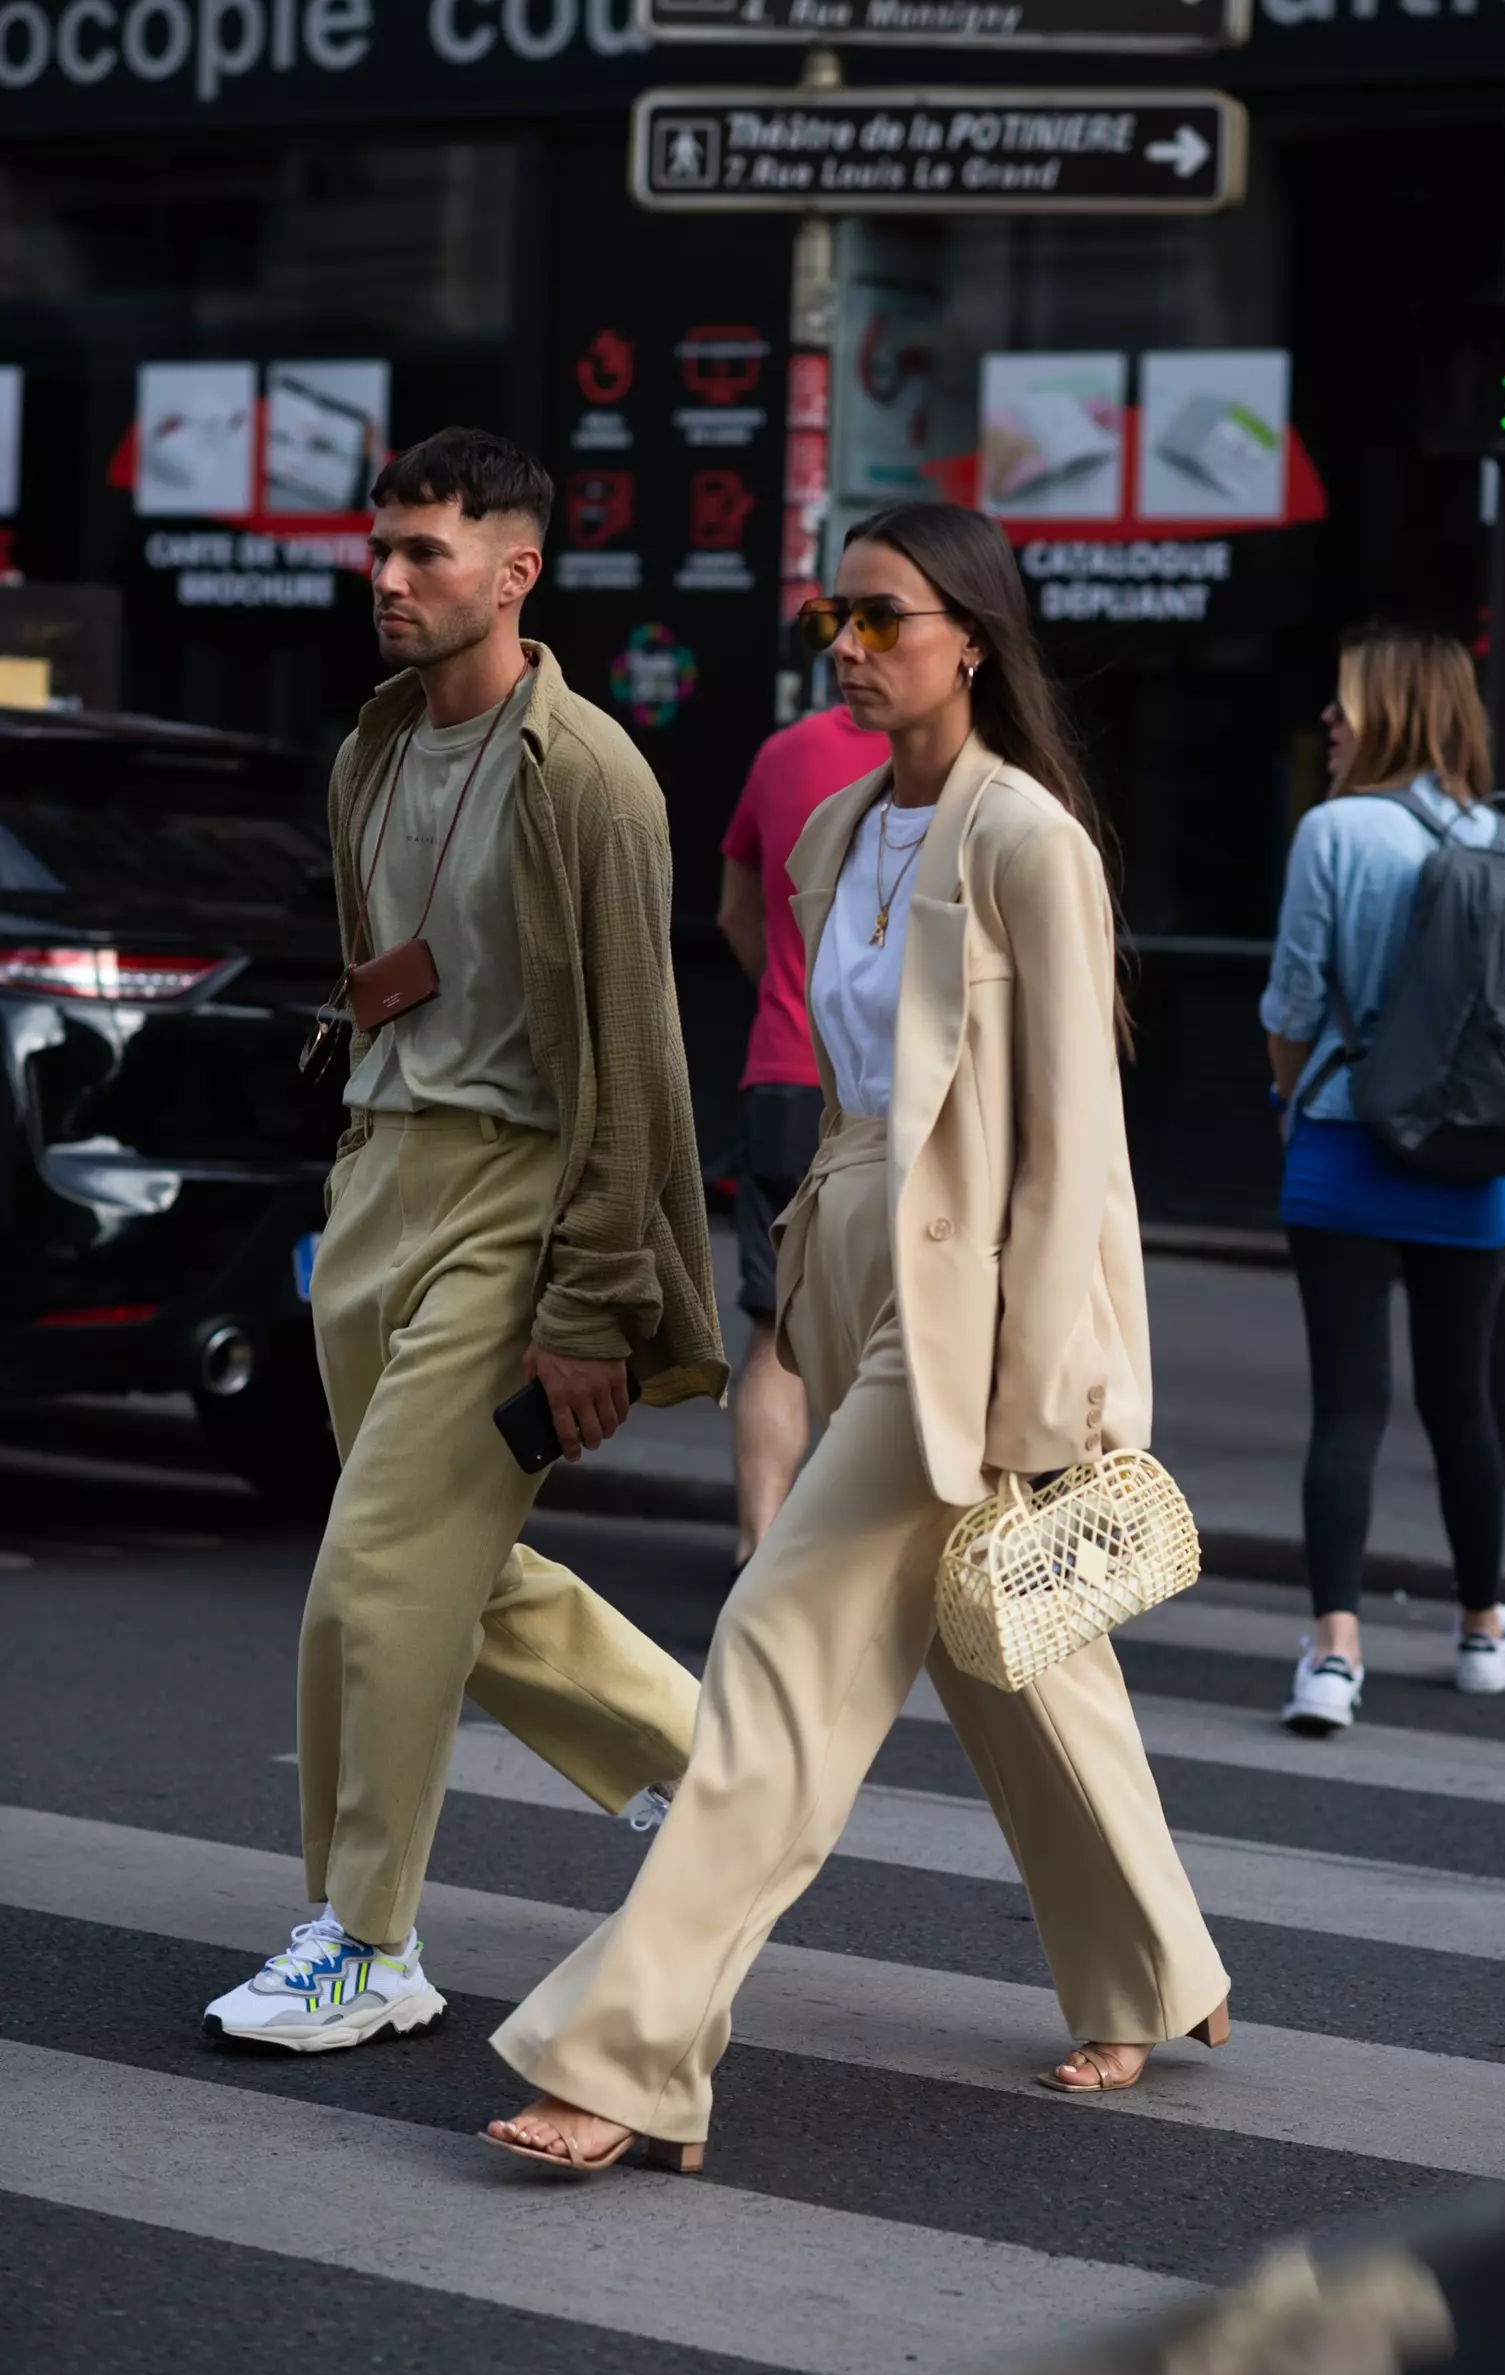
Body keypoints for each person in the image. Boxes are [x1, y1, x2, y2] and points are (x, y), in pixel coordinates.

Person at [478, 498, 1230, 2175]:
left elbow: (1078, 1141)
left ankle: (628, 2057)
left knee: (780, 1649)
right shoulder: (832, 835)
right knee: (1010, 1646)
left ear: (974, 637)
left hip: (974, 1293)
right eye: (844, 620)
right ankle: (1156, 1967)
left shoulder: (1031, 841)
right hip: (849, 1244)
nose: (857, 648)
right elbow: (830, 1052)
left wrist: (1067, 1382)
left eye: (888, 619)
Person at [205, 427, 725, 2050]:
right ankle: (722, 1771)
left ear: (517, 572)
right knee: (433, 1565)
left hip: (521, 1195)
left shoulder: (594, 779)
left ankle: (365, 1937)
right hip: (379, 1182)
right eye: (380, 549)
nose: (388, 577)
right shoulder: (371, 748)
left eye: (426, 552)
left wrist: (595, 1303)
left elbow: (636, 1071)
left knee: (372, 1569)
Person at [1260, 624, 1505, 1737]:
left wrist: (1286, 1101)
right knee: (1462, 1408)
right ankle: (1483, 1627)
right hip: (1474, 1161)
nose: (1331, 721)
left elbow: (1293, 1005)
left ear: (1389, 707)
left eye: (1346, 702)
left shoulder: (1331, 830)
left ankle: (1333, 1657)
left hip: (1346, 1141)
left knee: (1345, 1408)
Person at [718, 701, 889, 1568]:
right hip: (890, 1095)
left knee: (774, 1330)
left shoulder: (783, 752)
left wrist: (796, 998)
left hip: (783, 1071)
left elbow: (735, 914)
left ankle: (760, 1545)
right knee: (891, 1344)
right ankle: (851, 1563)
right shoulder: (951, 762)